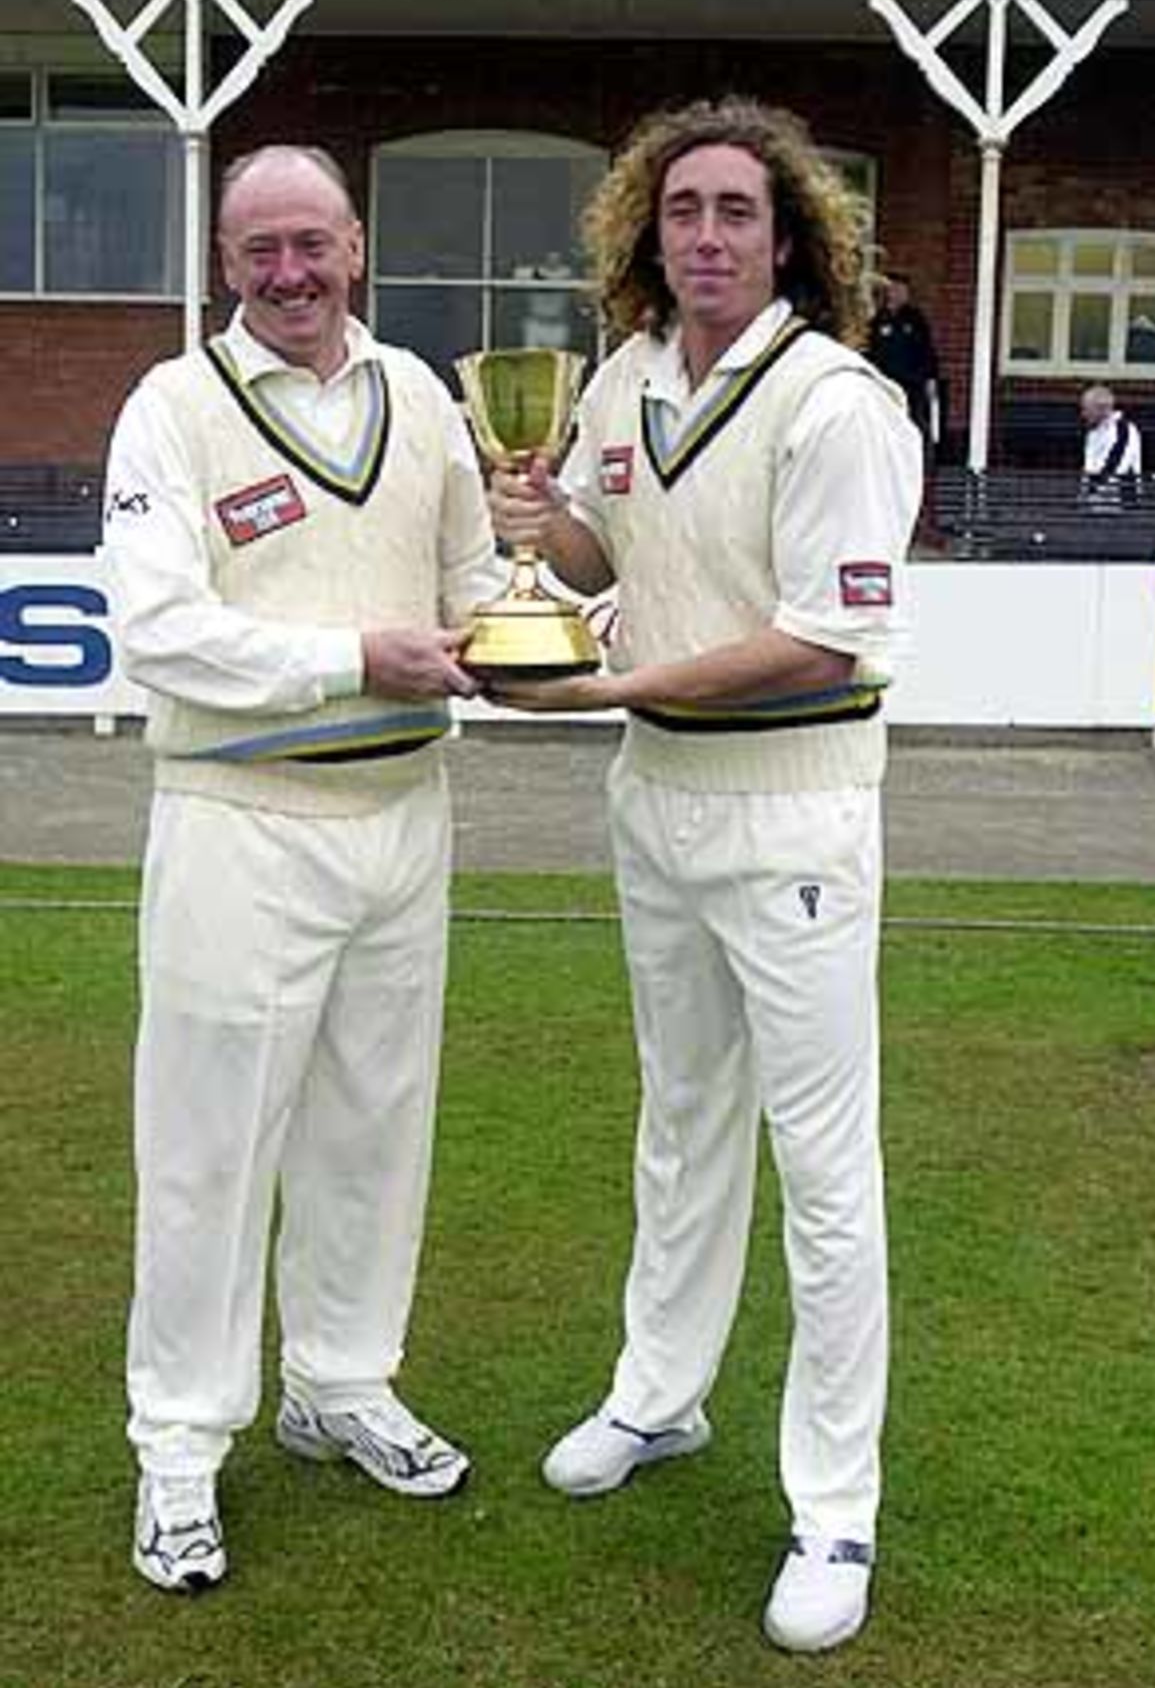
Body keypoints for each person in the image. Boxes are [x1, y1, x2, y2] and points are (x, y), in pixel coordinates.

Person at [486, 96, 923, 1654]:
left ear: (791, 232)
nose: (711, 235)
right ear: (646, 232)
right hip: (655, 805)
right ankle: (659, 1396)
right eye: (684, 212)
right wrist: (542, 529)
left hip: (791, 809)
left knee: (823, 1168)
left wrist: (619, 685)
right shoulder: (623, 378)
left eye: (740, 210)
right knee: (681, 1127)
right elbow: (608, 550)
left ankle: (835, 1501)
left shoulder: (838, 403)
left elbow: (829, 632)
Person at [103, 144, 501, 1594]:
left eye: (310, 244)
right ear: (225, 261)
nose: (288, 273)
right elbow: (155, 627)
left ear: (355, 248)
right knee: (209, 1148)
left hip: (405, 810)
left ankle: (340, 1381)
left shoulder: (426, 400)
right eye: (258, 248)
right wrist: (350, 657)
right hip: (237, 818)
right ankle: (179, 1447)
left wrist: (546, 620)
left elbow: (472, 582)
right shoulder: (174, 406)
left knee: (373, 1129)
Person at [867, 271, 942, 540]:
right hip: (884, 394)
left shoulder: (915, 320)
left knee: (917, 447)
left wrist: (930, 381)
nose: (898, 294)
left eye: (902, 290)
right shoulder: (877, 322)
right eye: (894, 289)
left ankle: (922, 518)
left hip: (913, 393)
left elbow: (929, 354)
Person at [1080, 383, 1142, 508]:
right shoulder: (1093, 433)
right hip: (1095, 502)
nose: (1083, 414)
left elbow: (1117, 464)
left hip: (1120, 502)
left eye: (1086, 409)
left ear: (1101, 409)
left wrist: (1093, 488)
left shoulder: (1124, 429)